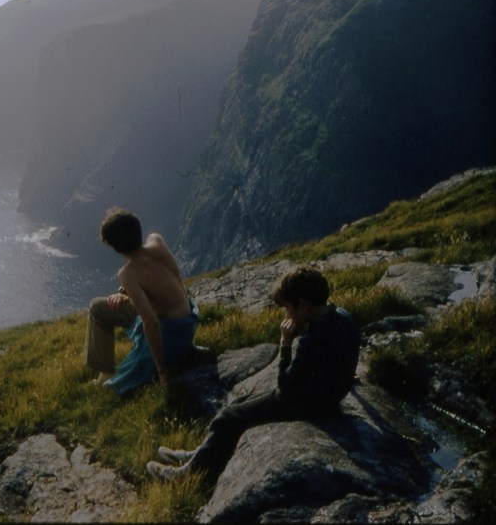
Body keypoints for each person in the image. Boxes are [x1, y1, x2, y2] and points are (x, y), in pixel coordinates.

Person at [146, 265, 360, 483]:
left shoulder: (310, 342)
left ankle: (187, 474)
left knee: (228, 417)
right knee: (242, 402)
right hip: (329, 396)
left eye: (287, 308)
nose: (286, 314)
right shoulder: (342, 315)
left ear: (303, 306)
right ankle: (199, 455)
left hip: (308, 404)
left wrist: (285, 343)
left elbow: (285, 385)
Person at [85, 207, 198, 393]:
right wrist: (126, 293)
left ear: (115, 247)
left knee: (114, 389)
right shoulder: (157, 241)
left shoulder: (128, 273)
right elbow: (157, 282)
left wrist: (163, 372)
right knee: (99, 306)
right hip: (187, 324)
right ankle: (104, 374)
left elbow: (151, 323)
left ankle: (105, 377)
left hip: (169, 336)